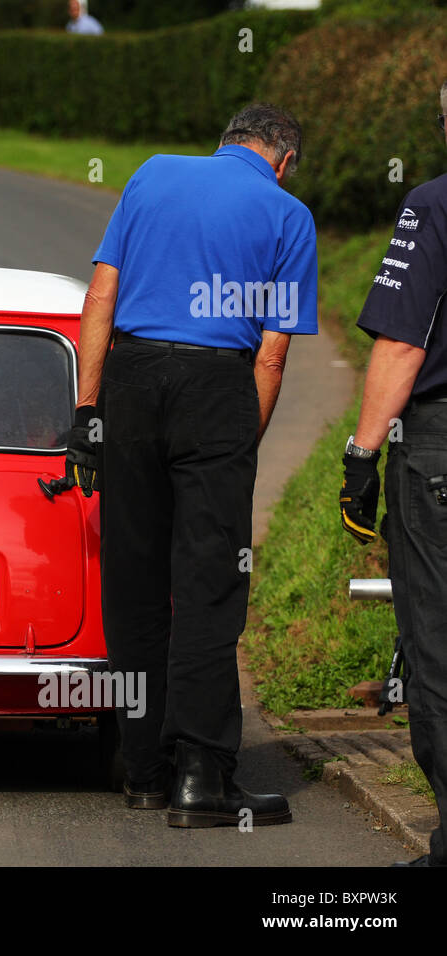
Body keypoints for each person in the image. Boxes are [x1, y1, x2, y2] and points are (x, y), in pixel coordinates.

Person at [68, 103, 318, 826]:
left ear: (225, 144)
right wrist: (242, 440)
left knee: (135, 581)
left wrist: (88, 411)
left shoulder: (150, 176)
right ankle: (202, 779)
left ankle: (143, 769)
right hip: (218, 386)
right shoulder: (287, 213)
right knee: (208, 585)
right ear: (282, 159)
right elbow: (272, 353)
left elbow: (102, 296)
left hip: (132, 379)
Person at [339, 81, 447, 867]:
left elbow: (402, 344)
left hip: (440, 448)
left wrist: (362, 454)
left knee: (437, 641)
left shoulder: (432, 206)